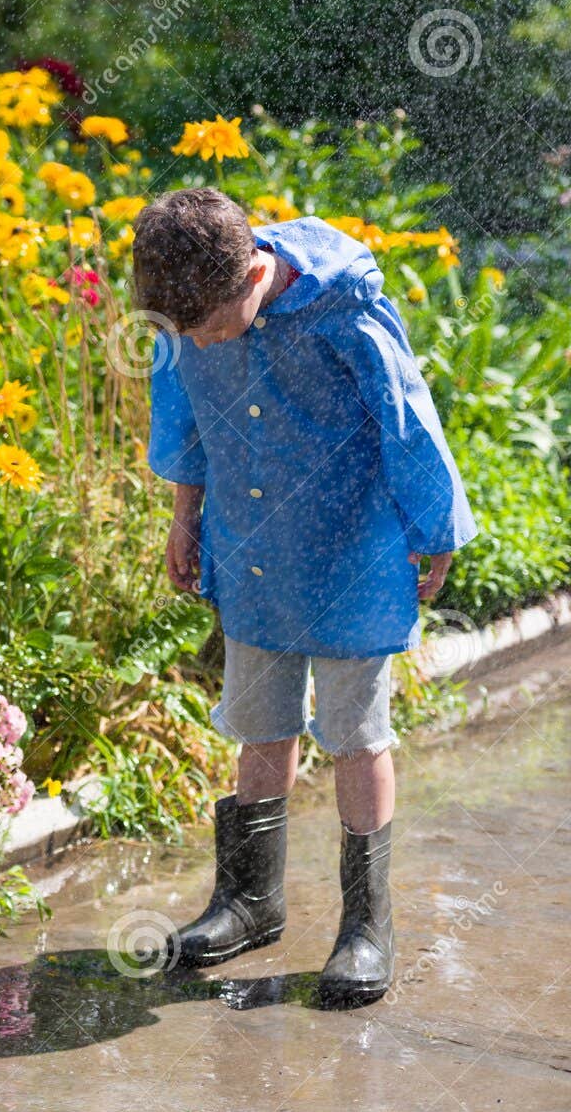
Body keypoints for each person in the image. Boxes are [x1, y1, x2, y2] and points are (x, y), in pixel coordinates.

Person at [132, 187, 476, 1004]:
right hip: (253, 555)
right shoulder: (191, 315)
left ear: (255, 271)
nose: (202, 341)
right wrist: (186, 517)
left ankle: (367, 926)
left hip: (352, 554)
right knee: (261, 723)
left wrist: (436, 527)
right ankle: (251, 901)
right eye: (187, 333)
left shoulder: (346, 312)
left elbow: (407, 419)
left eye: (212, 325)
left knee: (355, 731)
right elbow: (179, 416)